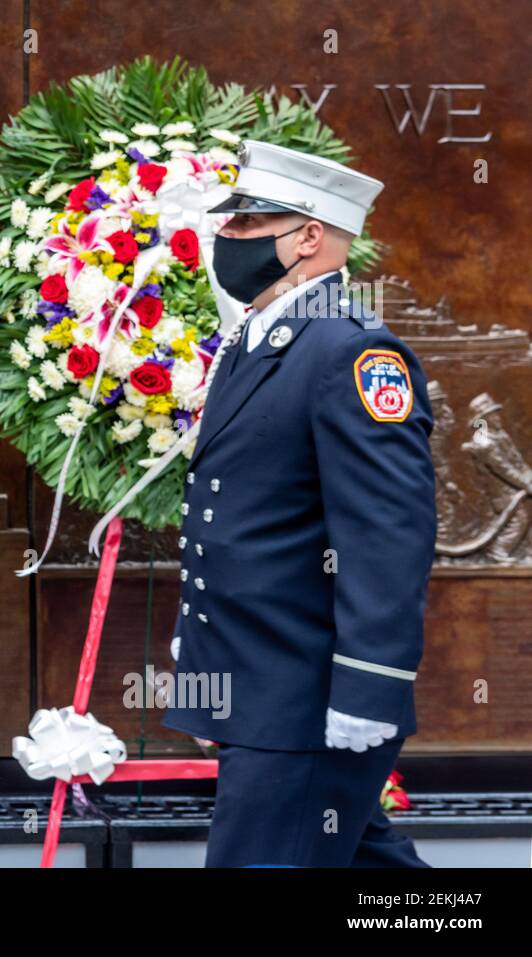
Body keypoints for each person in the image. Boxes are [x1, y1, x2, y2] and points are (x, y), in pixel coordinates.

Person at [162, 140, 435, 867]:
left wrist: (371, 686)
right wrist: (206, 665)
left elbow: (387, 534)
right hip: (261, 687)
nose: (226, 238)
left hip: (309, 704)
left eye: (248, 225)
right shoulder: (261, 342)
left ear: (309, 236)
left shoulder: (349, 353)